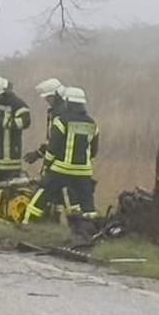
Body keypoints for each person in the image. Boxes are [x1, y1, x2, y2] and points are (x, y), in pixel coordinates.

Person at [26, 86, 99, 224]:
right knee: (87, 206)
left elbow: (53, 147)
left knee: (42, 194)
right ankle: (89, 232)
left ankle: (28, 223)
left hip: (61, 169)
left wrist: (47, 164)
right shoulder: (92, 124)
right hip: (84, 172)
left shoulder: (61, 121)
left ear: (67, 102)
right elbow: (94, 150)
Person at [0, 76, 32, 184]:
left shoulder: (17, 104)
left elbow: (26, 122)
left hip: (11, 157)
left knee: (10, 189)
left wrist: (6, 123)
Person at [25, 78, 64, 168]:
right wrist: (39, 153)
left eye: (49, 97)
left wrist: (38, 154)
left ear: (57, 95)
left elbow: (55, 140)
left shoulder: (58, 114)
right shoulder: (56, 111)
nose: (46, 100)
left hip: (59, 162)